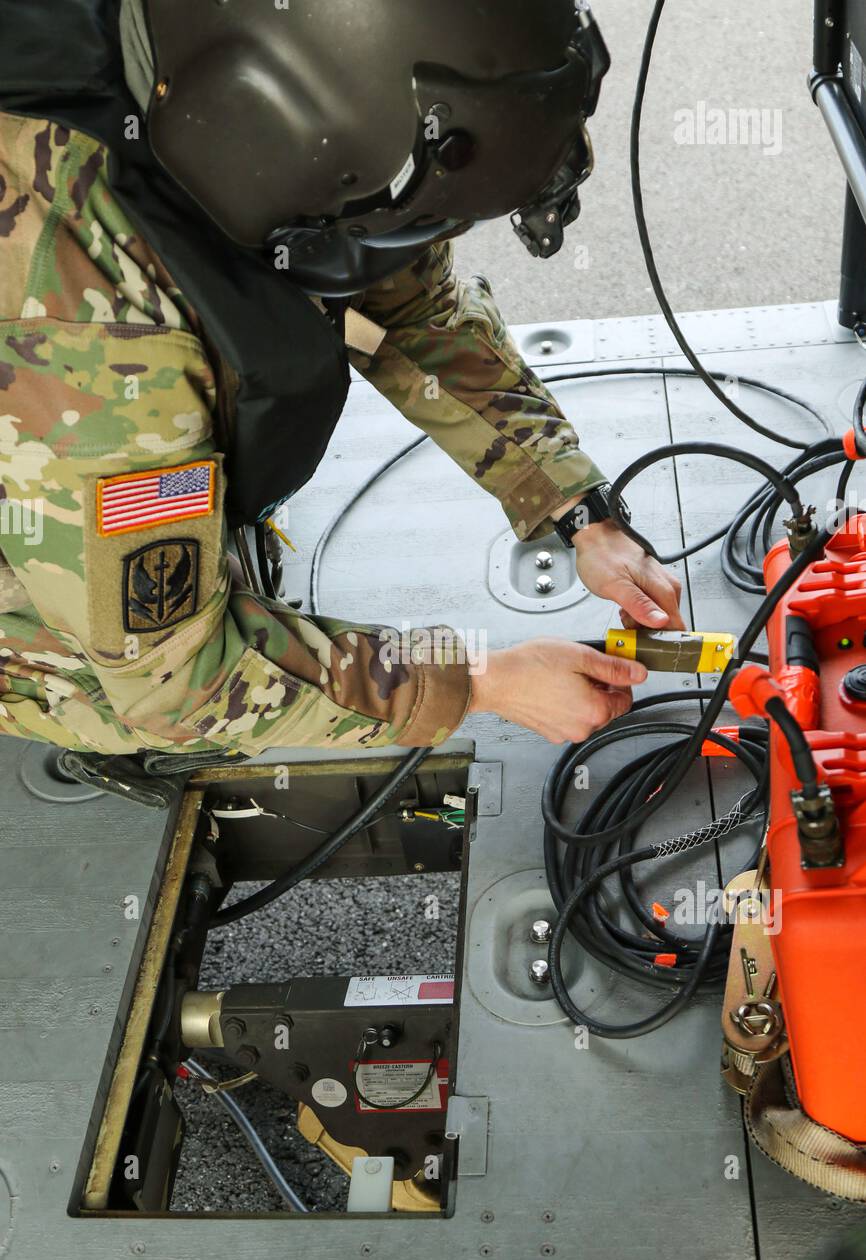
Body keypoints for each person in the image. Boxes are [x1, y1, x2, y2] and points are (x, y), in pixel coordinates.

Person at [0, 0, 683, 762]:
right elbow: (179, 685)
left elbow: (409, 310)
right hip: (55, 454)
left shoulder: (259, 110)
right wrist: (480, 684)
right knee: (122, 682)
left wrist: (576, 506)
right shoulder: (94, 327)